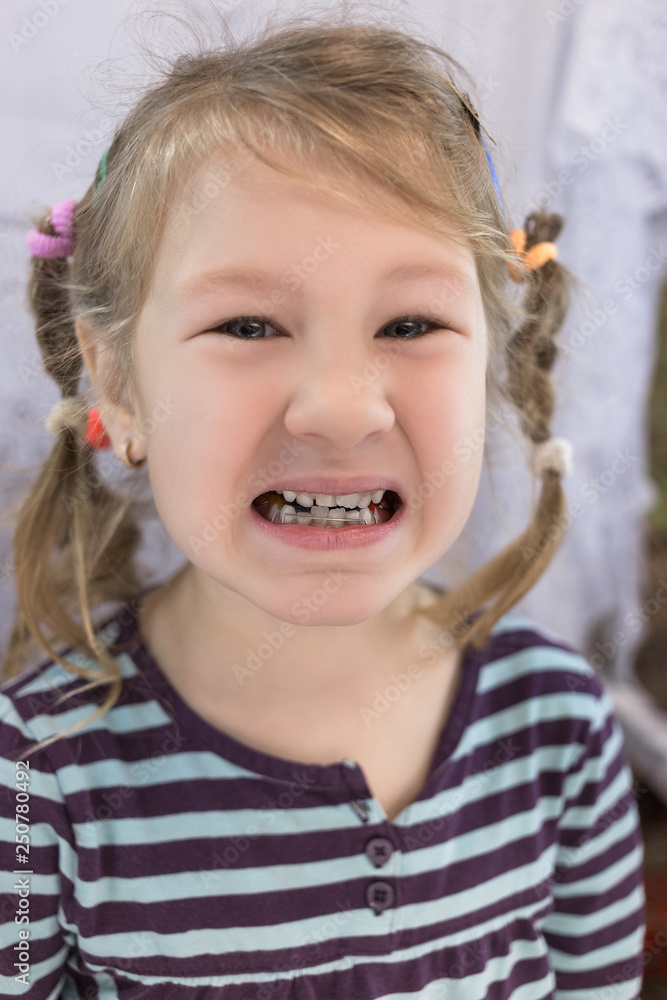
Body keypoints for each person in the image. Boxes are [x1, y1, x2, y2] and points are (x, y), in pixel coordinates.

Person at [0, 14, 646, 998]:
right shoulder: (35, 777)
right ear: (117, 387)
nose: (342, 408)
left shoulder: (556, 727)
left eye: (411, 322)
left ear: (492, 366)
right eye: (249, 323)